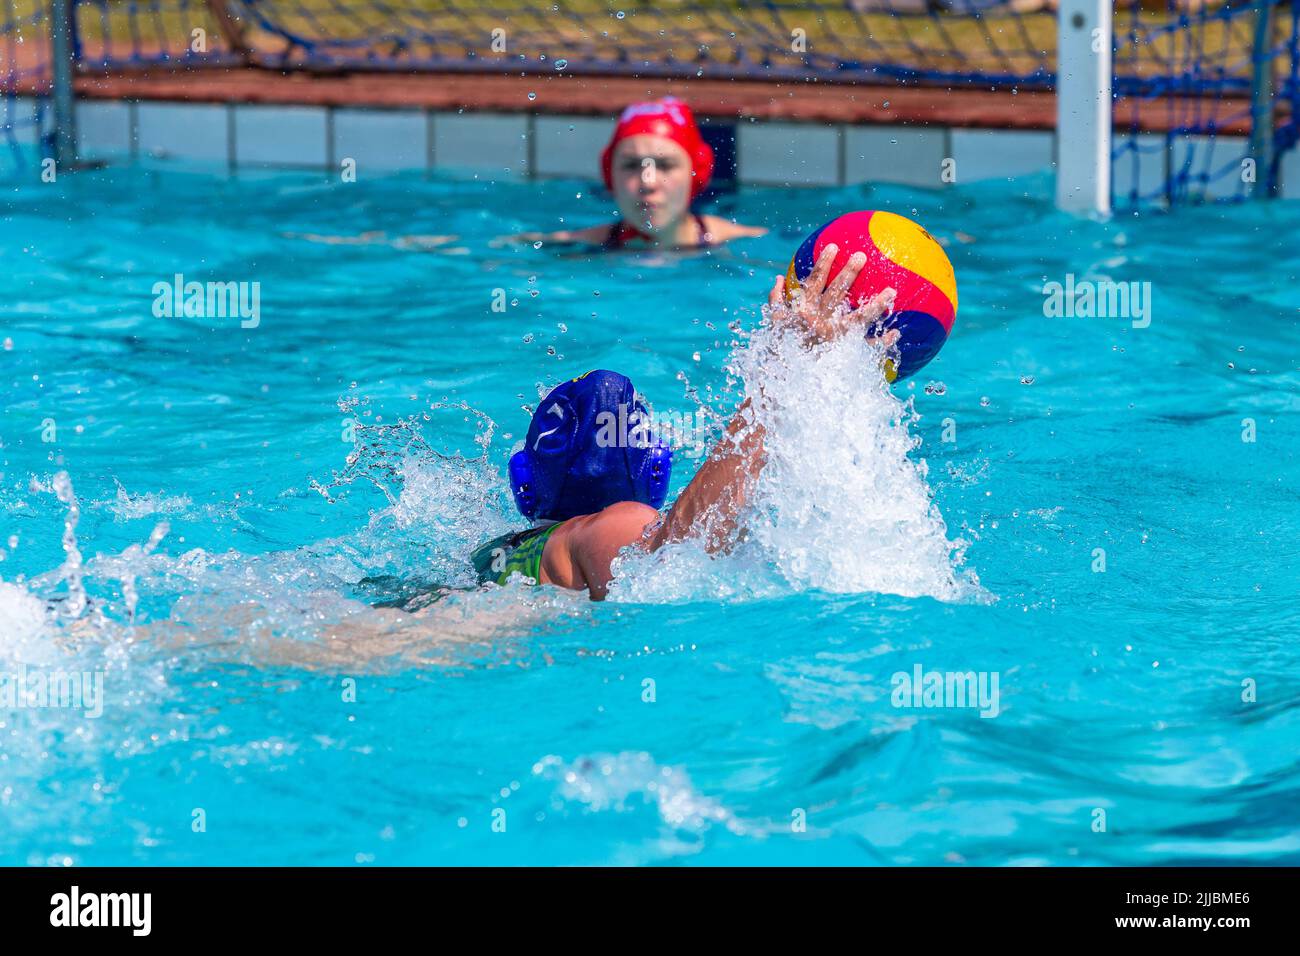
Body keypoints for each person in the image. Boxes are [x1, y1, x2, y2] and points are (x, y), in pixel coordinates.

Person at [470, 243, 899, 599]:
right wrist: (787, 374)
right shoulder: (611, 526)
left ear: (524, 480)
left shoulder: (499, 554)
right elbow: (673, 560)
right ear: (657, 470)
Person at [505, 97, 766, 251]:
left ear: (695, 173)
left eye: (665, 165)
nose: (647, 182)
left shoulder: (746, 244)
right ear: (610, 176)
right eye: (631, 165)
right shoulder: (573, 246)